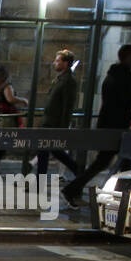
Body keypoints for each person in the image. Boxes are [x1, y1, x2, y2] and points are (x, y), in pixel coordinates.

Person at [62, 44, 131, 207]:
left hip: (109, 123)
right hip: (116, 125)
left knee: (114, 162)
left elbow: (115, 102)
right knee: (108, 162)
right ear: (128, 57)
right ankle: (74, 190)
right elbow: (125, 102)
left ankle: (118, 196)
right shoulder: (125, 75)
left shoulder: (112, 74)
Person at [35, 50, 81, 179]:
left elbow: (67, 106)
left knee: (48, 152)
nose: (54, 63)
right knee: (48, 152)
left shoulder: (68, 81)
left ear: (65, 63)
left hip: (53, 124)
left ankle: (78, 170)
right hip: (49, 123)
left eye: (57, 61)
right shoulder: (60, 79)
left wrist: (62, 128)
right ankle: (78, 171)